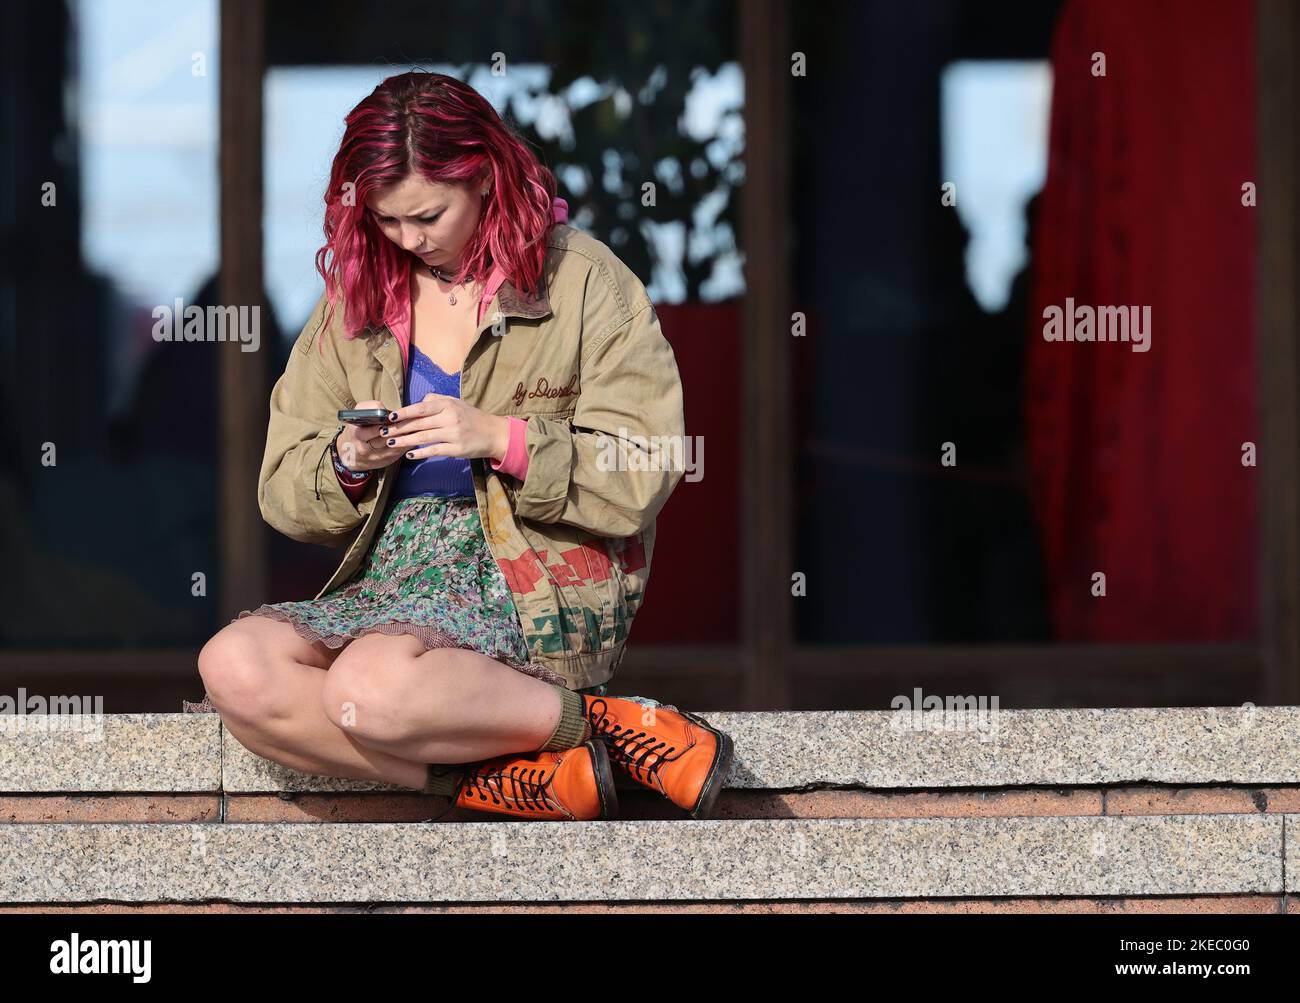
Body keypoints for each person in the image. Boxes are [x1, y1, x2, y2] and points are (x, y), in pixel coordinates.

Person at [194, 71, 732, 822]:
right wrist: (350, 462)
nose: (408, 240)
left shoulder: (585, 281)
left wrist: (503, 439)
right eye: (385, 221)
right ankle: (529, 768)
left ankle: (585, 716)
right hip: (397, 577)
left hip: (534, 574)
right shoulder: (357, 298)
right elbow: (282, 489)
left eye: (426, 215)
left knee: (366, 691)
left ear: (483, 176)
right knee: (234, 666)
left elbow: (642, 468)